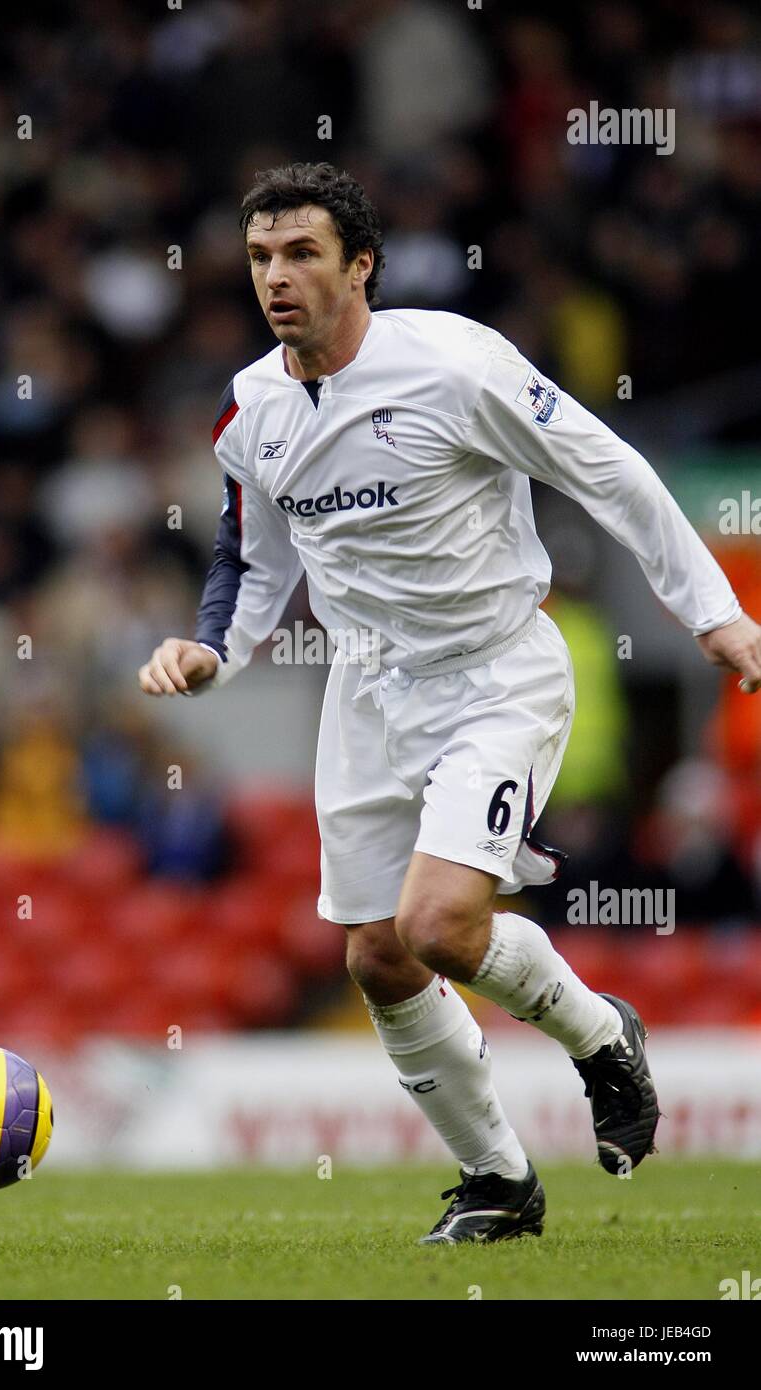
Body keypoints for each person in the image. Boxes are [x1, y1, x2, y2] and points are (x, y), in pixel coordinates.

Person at [138, 162, 761, 1244]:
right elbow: (250, 557)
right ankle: (498, 1183)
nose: (275, 279)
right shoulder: (252, 410)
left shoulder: (455, 365)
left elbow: (605, 469)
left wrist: (708, 611)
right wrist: (209, 651)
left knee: (436, 925)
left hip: (491, 672)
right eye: (258, 259)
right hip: (365, 690)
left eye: (300, 255)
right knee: (376, 954)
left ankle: (596, 1032)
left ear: (360, 264)